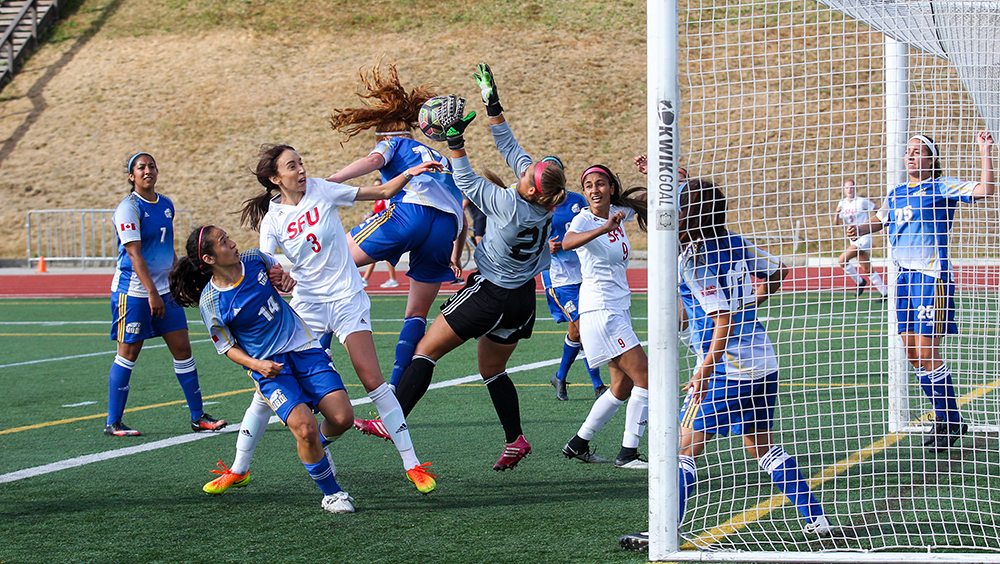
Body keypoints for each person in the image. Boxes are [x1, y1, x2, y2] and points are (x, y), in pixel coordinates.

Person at [200, 144, 440, 496]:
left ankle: (412, 464)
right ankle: (239, 468)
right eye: (291, 166)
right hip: (307, 305)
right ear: (274, 178)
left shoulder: (322, 189)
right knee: (268, 385)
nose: (301, 170)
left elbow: (384, 191)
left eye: (301, 163)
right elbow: (268, 261)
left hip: (346, 296)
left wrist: (411, 173)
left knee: (372, 379)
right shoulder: (273, 218)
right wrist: (280, 276)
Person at [393, 64, 567, 472]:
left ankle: (393, 420)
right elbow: (510, 147)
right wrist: (492, 103)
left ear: (530, 187)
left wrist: (454, 141)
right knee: (492, 369)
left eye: (526, 173)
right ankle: (515, 438)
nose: (523, 169)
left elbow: (467, 182)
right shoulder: (543, 200)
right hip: (523, 297)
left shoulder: (510, 205)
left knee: (426, 351)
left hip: (492, 291)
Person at [169, 226, 358, 514]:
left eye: (228, 237)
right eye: (223, 242)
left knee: (343, 418)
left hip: (304, 347)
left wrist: (283, 278)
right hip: (270, 369)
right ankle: (332, 493)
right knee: (304, 428)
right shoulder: (212, 302)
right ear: (209, 259)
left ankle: (316, 448)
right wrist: (257, 365)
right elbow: (227, 347)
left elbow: (276, 268)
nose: (232, 244)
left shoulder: (254, 259)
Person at [326, 59, 465, 406]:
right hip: (447, 227)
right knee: (416, 314)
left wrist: (331, 182)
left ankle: (317, 355)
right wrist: (457, 254)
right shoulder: (439, 156)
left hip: (410, 212)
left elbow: (374, 162)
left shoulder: (395, 144)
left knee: (330, 260)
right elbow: (460, 202)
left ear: (384, 134)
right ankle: (395, 393)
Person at [849, 131, 994, 452]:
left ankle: (948, 418)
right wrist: (861, 228)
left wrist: (985, 151)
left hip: (932, 278)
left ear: (931, 159)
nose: (911, 156)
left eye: (918, 152)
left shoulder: (941, 187)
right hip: (903, 280)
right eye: (908, 151)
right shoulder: (897, 192)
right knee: (913, 354)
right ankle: (948, 419)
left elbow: (985, 190)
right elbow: (881, 219)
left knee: (927, 351)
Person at [104, 152, 226, 437]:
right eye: (141, 167)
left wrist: (178, 280)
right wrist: (151, 293)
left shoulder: (166, 205)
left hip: (163, 291)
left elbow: (166, 250)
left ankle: (199, 417)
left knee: (183, 349)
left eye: (151, 166)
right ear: (131, 176)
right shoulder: (128, 208)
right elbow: (134, 254)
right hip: (134, 293)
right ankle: (113, 421)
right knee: (128, 353)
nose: (148, 170)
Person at [559, 165, 649, 468]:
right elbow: (568, 242)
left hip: (617, 307)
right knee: (646, 377)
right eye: (588, 186)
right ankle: (628, 453)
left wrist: (653, 171)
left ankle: (578, 443)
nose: (594, 190)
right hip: (601, 309)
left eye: (600, 184)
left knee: (622, 386)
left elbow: (658, 199)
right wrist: (603, 228)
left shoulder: (619, 211)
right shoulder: (585, 218)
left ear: (611, 187)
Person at [543, 157, 607, 402]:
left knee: (577, 332)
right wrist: (544, 245)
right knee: (585, 328)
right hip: (558, 279)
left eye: (555, 169)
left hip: (583, 273)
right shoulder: (537, 202)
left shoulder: (577, 201)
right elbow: (527, 236)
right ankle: (598, 384)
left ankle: (560, 376)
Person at [834, 179, 887, 298]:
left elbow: (878, 210)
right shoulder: (842, 203)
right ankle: (885, 293)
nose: (849, 190)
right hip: (853, 238)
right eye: (847, 188)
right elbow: (837, 223)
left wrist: (883, 225)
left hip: (864, 237)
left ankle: (860, 282)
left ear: (855, 188)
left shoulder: (861, 202)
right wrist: (837, 213)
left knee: (842, 260)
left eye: (851, 187)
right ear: (844, 190)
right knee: (867, 268)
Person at [360, 195, 400, 289]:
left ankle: (392, 279)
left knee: (375, 253)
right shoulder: (378, 200)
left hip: (384, 229)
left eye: (378, 185)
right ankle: (366, 279)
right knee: (375, 253)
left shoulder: (385, 199)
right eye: (374, 185)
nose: (375, 187)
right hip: (380, 228)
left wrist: (372, 217)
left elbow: (385, 212)